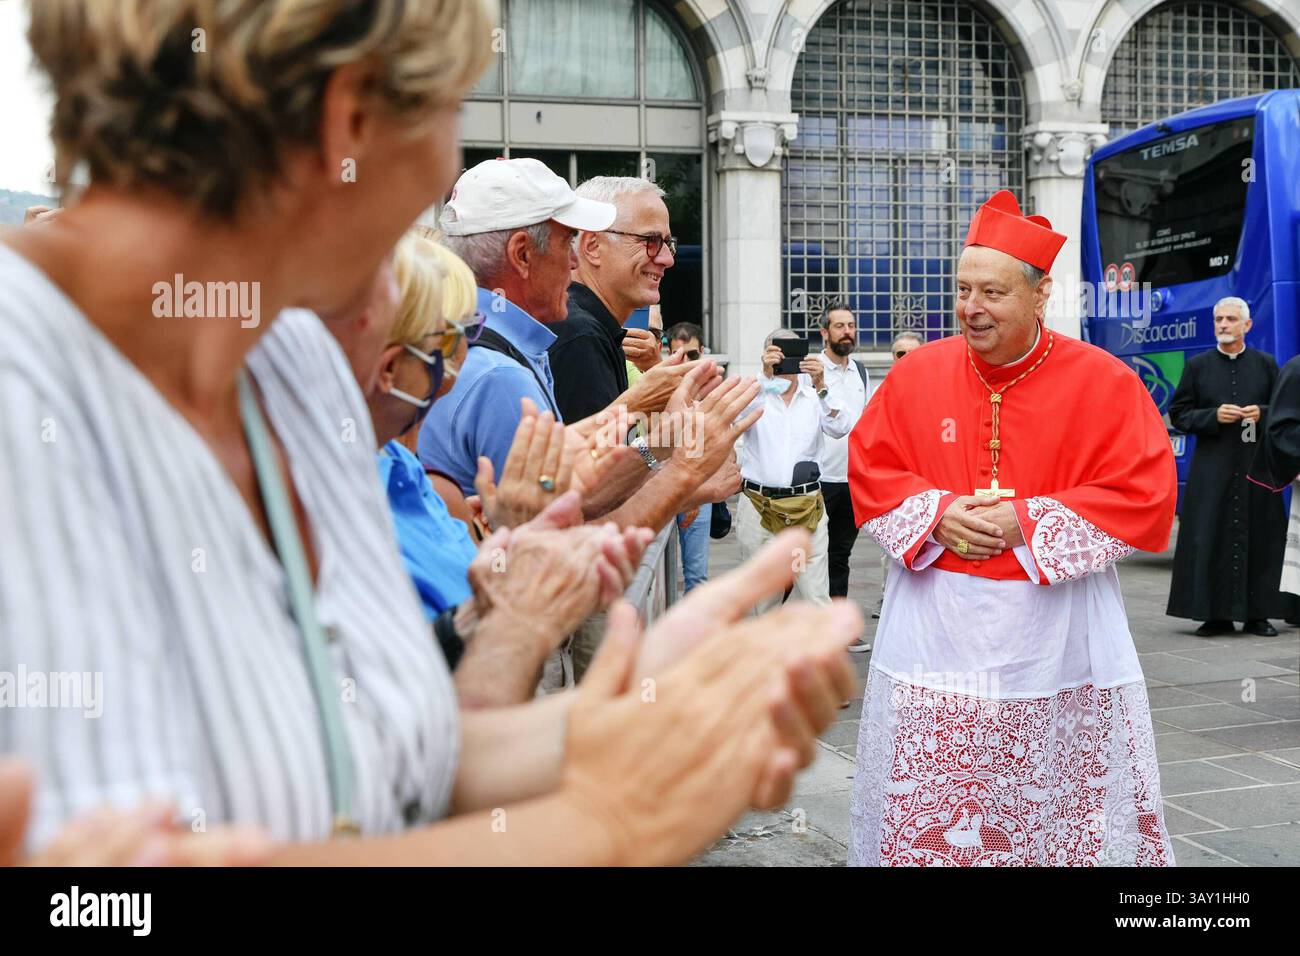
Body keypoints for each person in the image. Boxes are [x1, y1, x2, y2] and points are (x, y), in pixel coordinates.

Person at [0, 0, 856, 864]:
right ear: (350, 115)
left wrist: (623, 718)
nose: (445, 181)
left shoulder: (288, 357)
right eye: (451, 111)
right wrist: (602, 819)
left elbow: (391, 762)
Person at [847, 189, 1177, 866]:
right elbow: (871, 469)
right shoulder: (917, 375)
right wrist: (939, 511)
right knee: (935, 798)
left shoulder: (1105, 382)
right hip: (934, 624)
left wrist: (1027, 520)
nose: (971, 307)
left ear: (1040, 293)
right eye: (963, 289)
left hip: (1055, 629)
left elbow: (1146, 494)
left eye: (992, 292)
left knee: (1052, 805)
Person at [418, 157, 614, 493]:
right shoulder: (500, 377)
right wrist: (682, 471)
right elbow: (556, 530)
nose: (574, 260)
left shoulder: (453, 339)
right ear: (522, 255)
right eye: (567, 240)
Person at [1166, 296, 1290, 636]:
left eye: (1231, 319)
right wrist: (1213, 416)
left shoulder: (1266, 364)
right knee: (1211, 536)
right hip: (1213, 469)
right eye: (1219, 319)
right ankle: (1214, 615)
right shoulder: (1198, 366)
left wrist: (1261, 414)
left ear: (1246, 325)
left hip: (1256, 468)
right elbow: (1179, 413)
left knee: (1262, 536)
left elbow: (1283, 411)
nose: (1223, 325)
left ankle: (1258, 615)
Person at [737, 329, 851, 612]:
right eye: (778, 354)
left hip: (806, 509)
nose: (786, 361)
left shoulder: (814, 396)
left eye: (792, 354)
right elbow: (734, 418)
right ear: (766, 356)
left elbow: (840, 426)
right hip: (759, 506)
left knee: (815, 596)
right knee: (763, 600)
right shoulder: (755, 393)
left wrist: (821, 383)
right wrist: (765, 377)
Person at [548, 176, 671, 423]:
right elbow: (595, 459)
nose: (667, 259)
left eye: (668, 243)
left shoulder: (589, 329)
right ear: (593, 247)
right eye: (651, 242)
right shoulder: (581, 335)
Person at [814, 303, 870, 617]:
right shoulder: (812, 370)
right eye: (839, 326)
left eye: (850, 325)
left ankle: (835, 628)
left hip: (850, 481)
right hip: (819, 480)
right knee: (811, 556)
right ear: (825, 332)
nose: (847, 332)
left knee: (840, 556)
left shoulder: (860, 371)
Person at [871, 330, 925, 618]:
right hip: (899, 491)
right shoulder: (884, 394)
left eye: (913, 353)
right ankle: (891, 602)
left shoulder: (940, 389)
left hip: (933, 487)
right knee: (893, 554)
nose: (906, 359)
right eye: (900, 354)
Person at [667, 321, 712, 592]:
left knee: (696, 574)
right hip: (661, 487)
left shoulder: (713, 389)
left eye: (692, 355)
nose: (686, 362)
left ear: (702, 352)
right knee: (658, 572)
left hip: (699, 488)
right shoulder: (658, 386)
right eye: (679, 355)